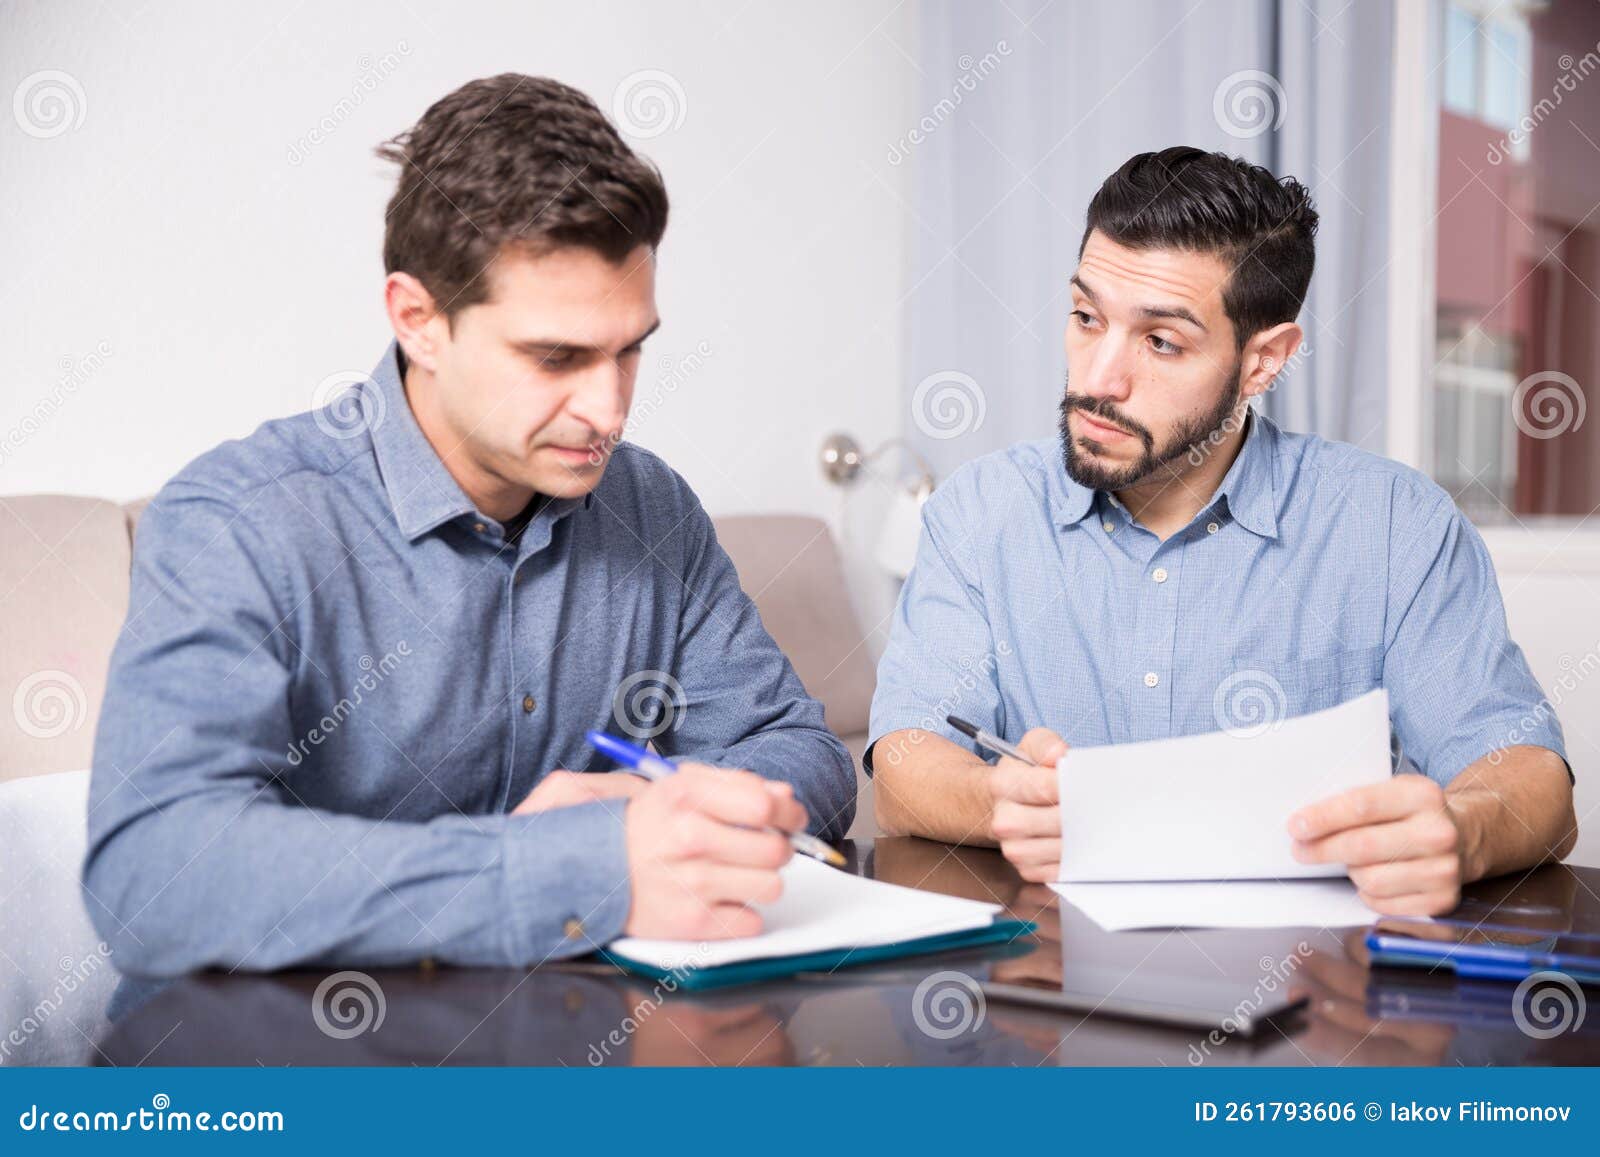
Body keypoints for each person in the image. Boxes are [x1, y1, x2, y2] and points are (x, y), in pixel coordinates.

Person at [84, 74, 855, 977]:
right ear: (419, 320)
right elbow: (154, 872)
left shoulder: (651, 510)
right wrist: (581, 865)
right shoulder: (241, 522)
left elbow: (809, 753)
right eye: (556, 356)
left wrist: (646, 801)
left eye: (630, 348)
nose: (607, 409)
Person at [867, 147, 1575, 917]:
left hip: (1311, 1000)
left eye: (1160, 341)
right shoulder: (980, 511)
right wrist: (996, 798)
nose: (1097, 379)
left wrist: (1463, 831)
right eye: (1085, 317)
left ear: (1263, 360)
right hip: (1045, 992)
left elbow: (1530, 777)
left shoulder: (1395, 526)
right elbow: (905, 761)